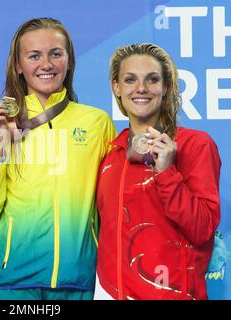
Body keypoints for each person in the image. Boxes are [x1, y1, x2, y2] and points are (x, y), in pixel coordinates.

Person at [0, 17, 117, 300]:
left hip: (79, 282)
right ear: (18, 66)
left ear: (69, 60)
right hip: (12, 284)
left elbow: (112, 206)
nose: (46, 64)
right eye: (34, 56)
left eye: (56, 53)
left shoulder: (97, 123)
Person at [94, 43, 221, 300]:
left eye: (152, 80)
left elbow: (202, 229)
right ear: (116, 87)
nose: (141, 88)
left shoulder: (194, 145)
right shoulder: (112, 155)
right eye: (130, 80)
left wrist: (166, 172)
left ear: (166, 87)